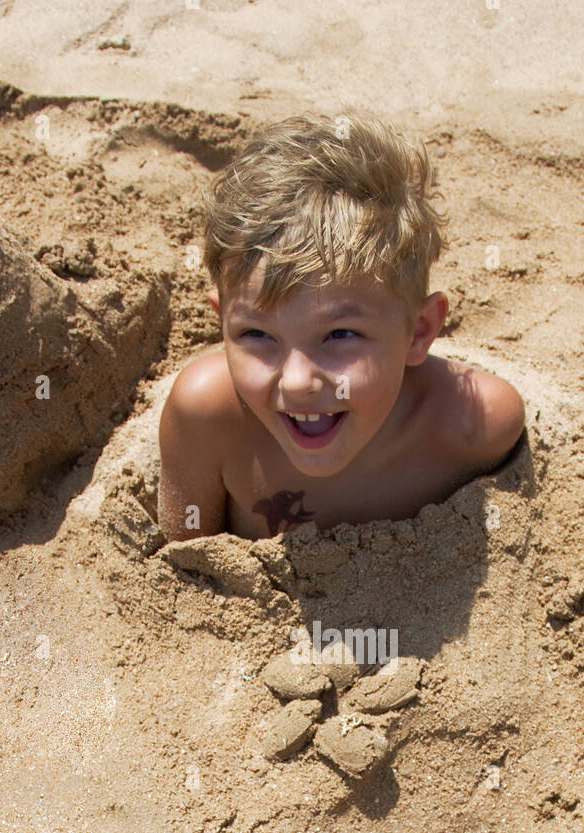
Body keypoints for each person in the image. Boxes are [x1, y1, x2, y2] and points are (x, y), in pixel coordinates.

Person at [158, 114, 525, 541]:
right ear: (221, 321)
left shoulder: (476, 428)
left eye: (340, 335)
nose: (297, 382)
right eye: (256, 335)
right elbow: (182, 571)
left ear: (420, 330)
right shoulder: (205, 418)